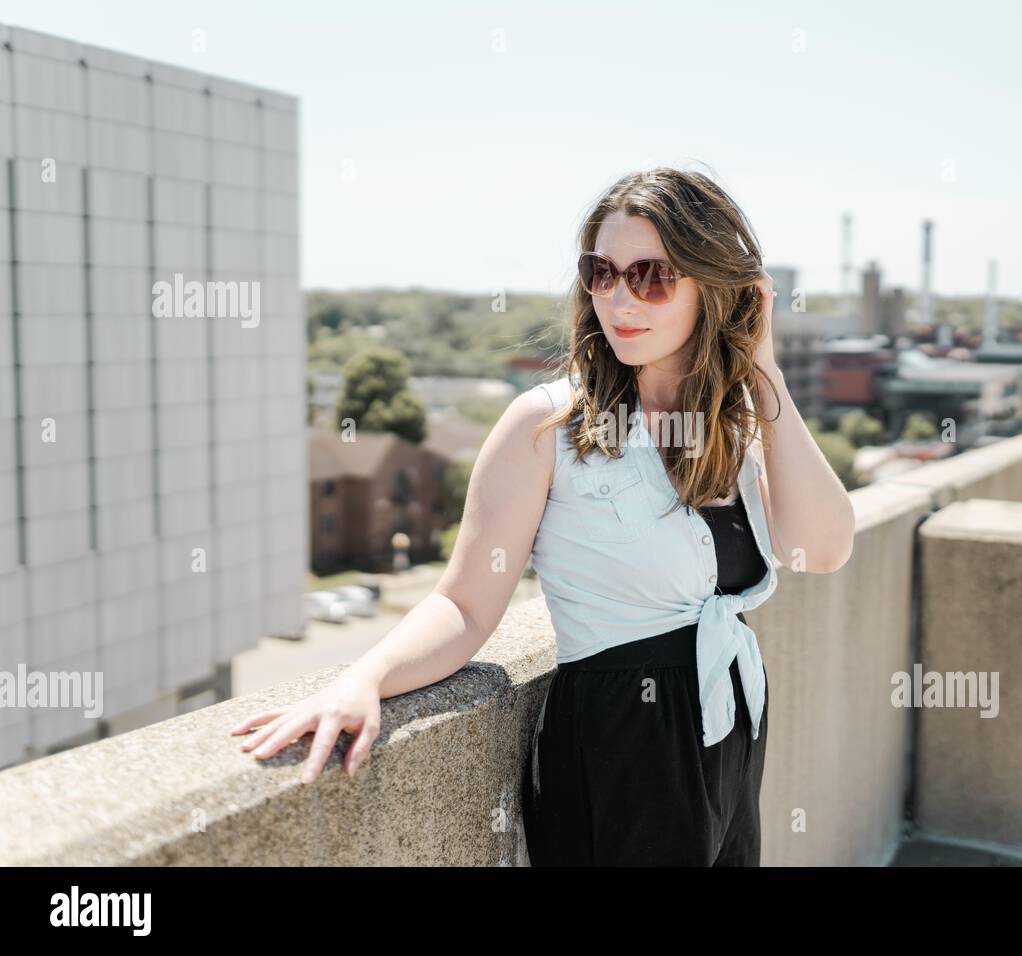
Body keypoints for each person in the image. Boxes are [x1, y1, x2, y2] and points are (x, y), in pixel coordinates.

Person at [229, 167, 856, 866]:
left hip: (728, 729)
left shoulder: (730, 424)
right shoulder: (549, 425)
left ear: (716, 288)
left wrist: (762, 368)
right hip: (622, 749)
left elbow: (821, 549)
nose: (620, 298)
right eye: (602, 271)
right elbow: (464, 604)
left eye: (651, 275)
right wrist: (361, 679)